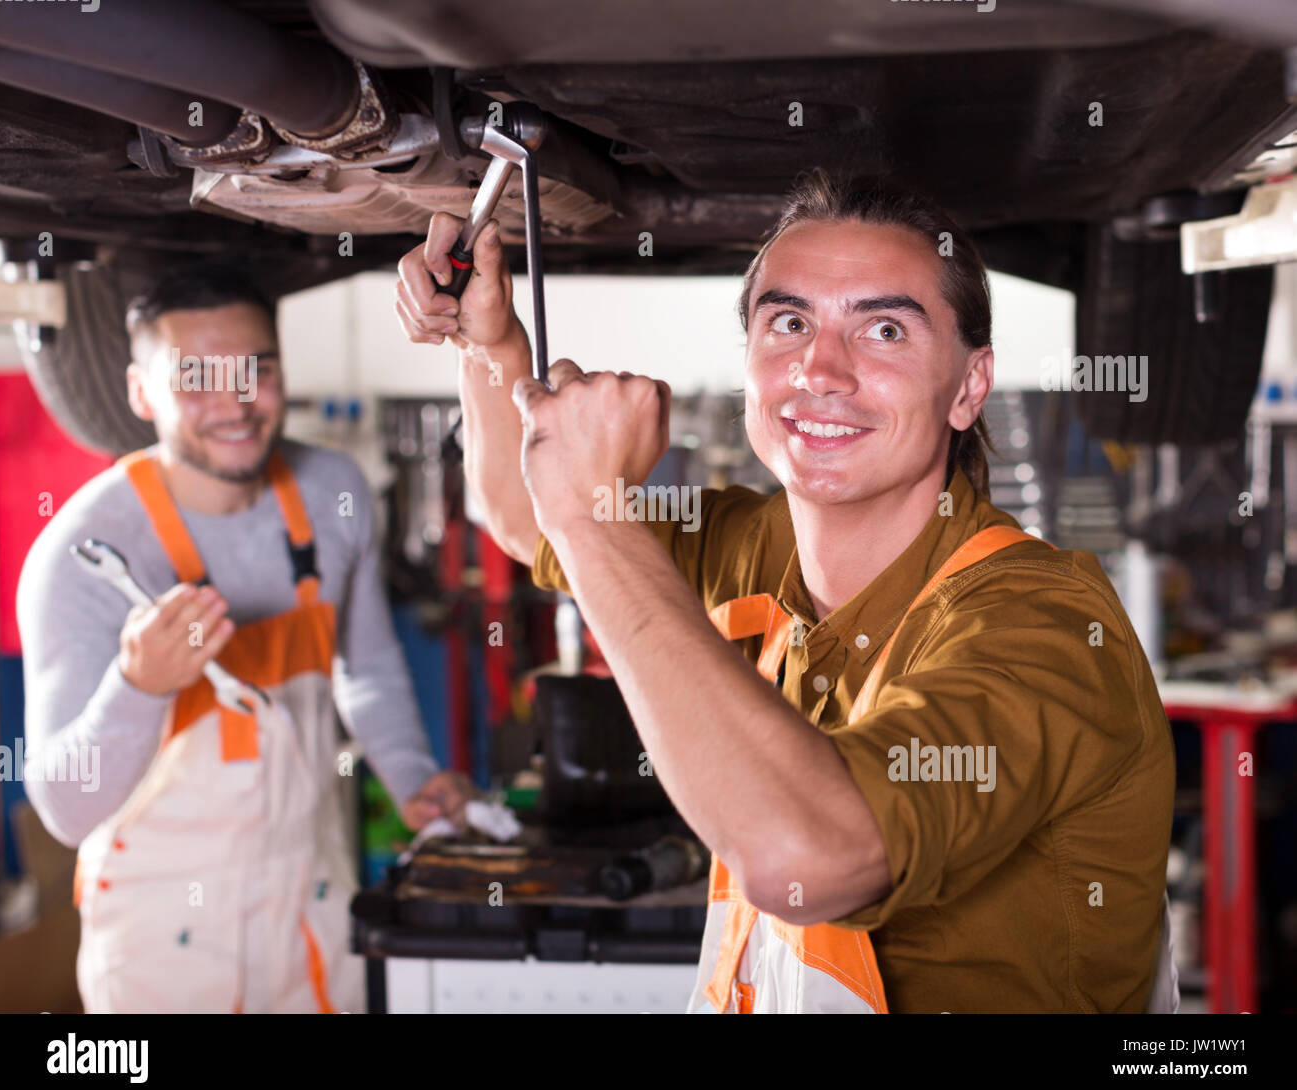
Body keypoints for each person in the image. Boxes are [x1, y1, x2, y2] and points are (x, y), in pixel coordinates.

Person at [394, 169, 1178, 1014]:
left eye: (883, 328)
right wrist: (491, 343)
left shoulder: (1044, 623)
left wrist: (597, 518)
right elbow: (529, 522)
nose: (820, 369)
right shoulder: (756, 545)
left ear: (968, 387)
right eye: (790, 322)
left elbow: (808, 861)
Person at [17, 266, 474, 1013]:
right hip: (170, 950)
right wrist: (139, 687)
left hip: (313, 910)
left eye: (257, 371)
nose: (233, 403)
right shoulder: (84, 552)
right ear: (140, 392)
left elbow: (367, 665)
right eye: (196, 376)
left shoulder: (334, 491)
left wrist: (412, 776)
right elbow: (66, 809)